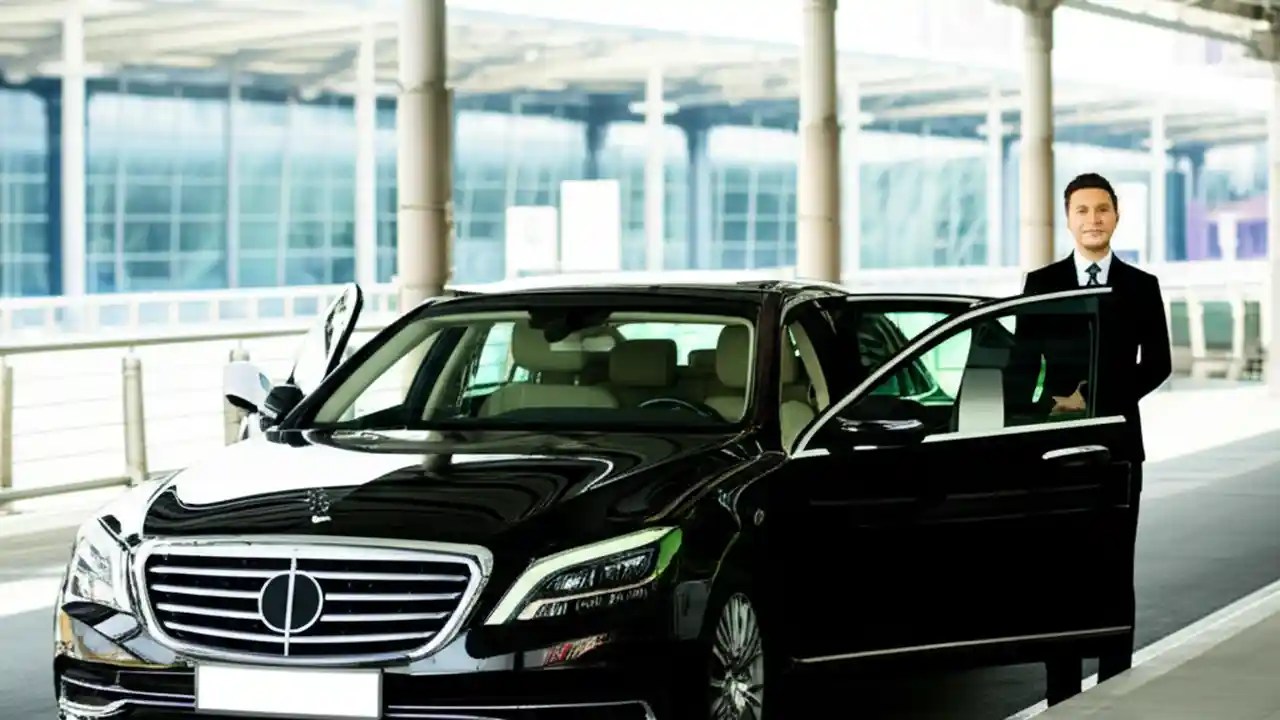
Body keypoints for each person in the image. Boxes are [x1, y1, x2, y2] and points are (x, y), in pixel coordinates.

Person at [1021, 172, 1173, 706]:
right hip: (1053, 454)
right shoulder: (1040, 284)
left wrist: (1099, 400)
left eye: (1101, 209)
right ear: (1068, 218)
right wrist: (1045, 411)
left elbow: (1158, 364)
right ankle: (1060, 695)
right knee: (1059, 572)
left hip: (1119, 451)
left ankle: (1116, 690)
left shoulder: (1141, 286)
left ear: (1116, 214)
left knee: (1113, 570)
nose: (1092, 219)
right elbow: (1021, 369)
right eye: (1082, 210)